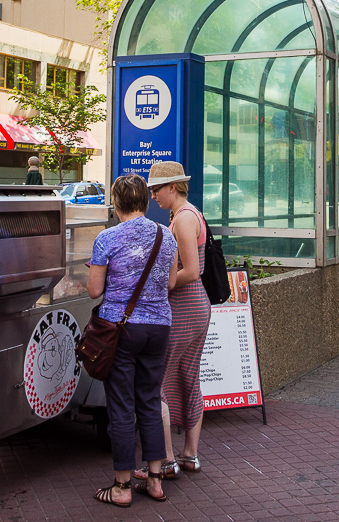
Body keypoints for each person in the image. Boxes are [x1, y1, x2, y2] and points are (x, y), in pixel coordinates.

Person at [87, 174, 178, 507]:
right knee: (150, 401)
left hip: (121, 330)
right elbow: (169, 284)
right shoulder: (166, 236)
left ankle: (122, 486)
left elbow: (95, 290)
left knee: (122, 407)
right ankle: (154, 480)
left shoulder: (107, 238)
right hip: (159, 328)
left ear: (116, 202)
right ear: (144, 200)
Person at [135, 161, 211, 481]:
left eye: (156, 190)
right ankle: (190, 456)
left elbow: (192, 271)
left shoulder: (182, 219)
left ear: (173, 187)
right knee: (189, 377)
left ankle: (166, 461)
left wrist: (160, 284)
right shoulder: (192, 213)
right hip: (199, 307)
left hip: (183, 308)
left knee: (157, 381)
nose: (153, 196)